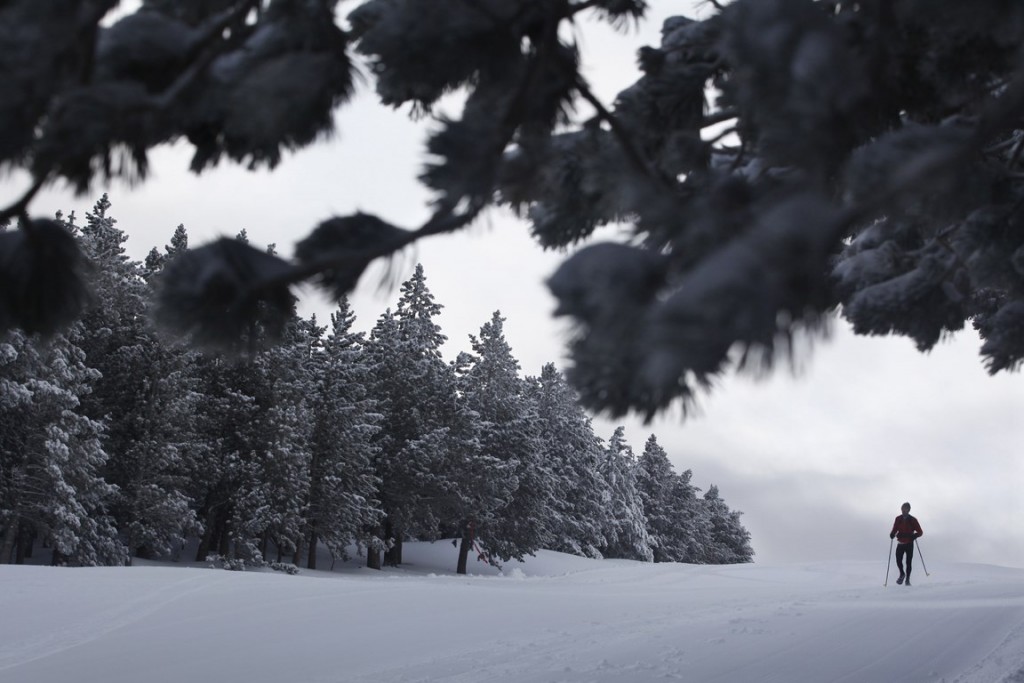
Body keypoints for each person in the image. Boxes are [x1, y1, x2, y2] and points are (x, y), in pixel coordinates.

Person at [890, 502, 923, 585]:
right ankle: (902, 574)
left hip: (909, 543)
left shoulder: (913, 520)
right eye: (902, 508)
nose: (903, 510)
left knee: (908, 562)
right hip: (900, 542)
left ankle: (907, 580)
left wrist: (914, 536)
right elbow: (895, 529)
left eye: (905, 508)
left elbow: (920, 532)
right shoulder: (898, 519)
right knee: (898, 560)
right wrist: (892, 534)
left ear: (909, 510)